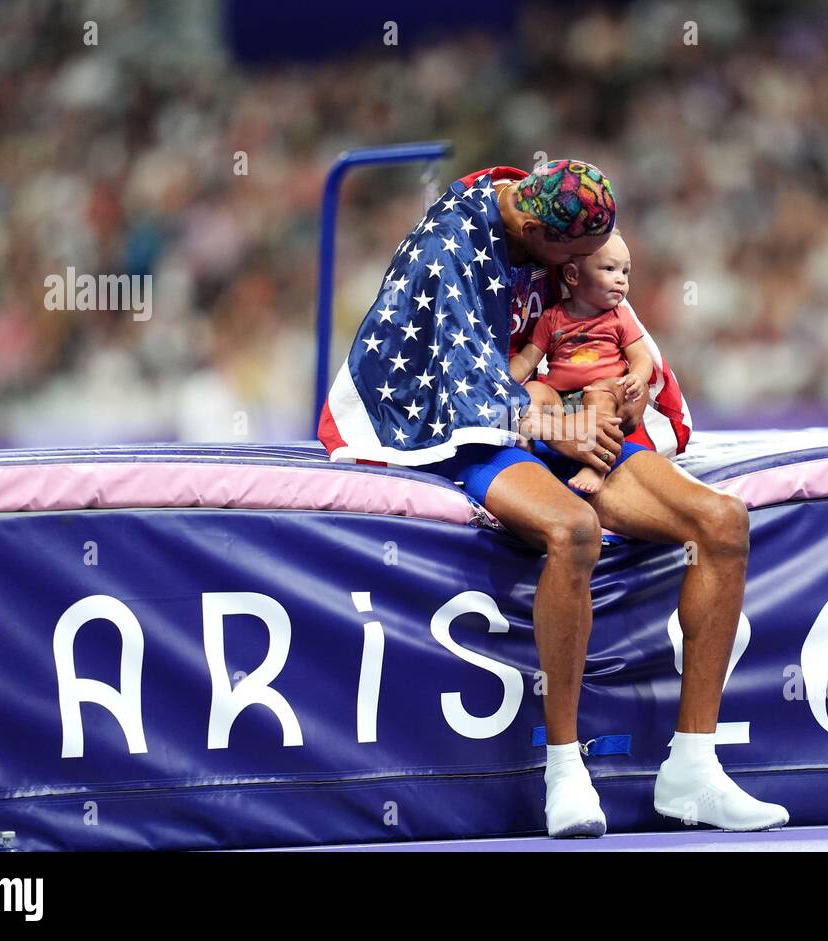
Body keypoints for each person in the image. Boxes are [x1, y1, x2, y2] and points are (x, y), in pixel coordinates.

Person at [318, 158, 788, 837]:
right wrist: (552, 423)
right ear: (534, 230)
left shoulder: (558, 212)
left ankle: (694, 767)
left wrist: (630, 379)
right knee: (573, 530)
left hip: (567, 411)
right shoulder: (448, 247)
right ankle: (565, 769)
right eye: (573, 256)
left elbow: (609, 316)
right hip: (474, 427)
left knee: (722, 521)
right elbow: (465, 388)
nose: (585, 266)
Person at [509, 230, 651, 495]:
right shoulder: (552, 317)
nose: (621, 279)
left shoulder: (619, 317)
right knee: (534, 391)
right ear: (573, 275)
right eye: (610, 269)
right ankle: (526, 441)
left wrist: (638, 377)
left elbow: (641, 357)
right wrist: (501, 382)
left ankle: (597, 463)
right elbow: (529, 358)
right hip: (560, 402)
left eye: (626, 272)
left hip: (602, 396)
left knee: (601, 397)